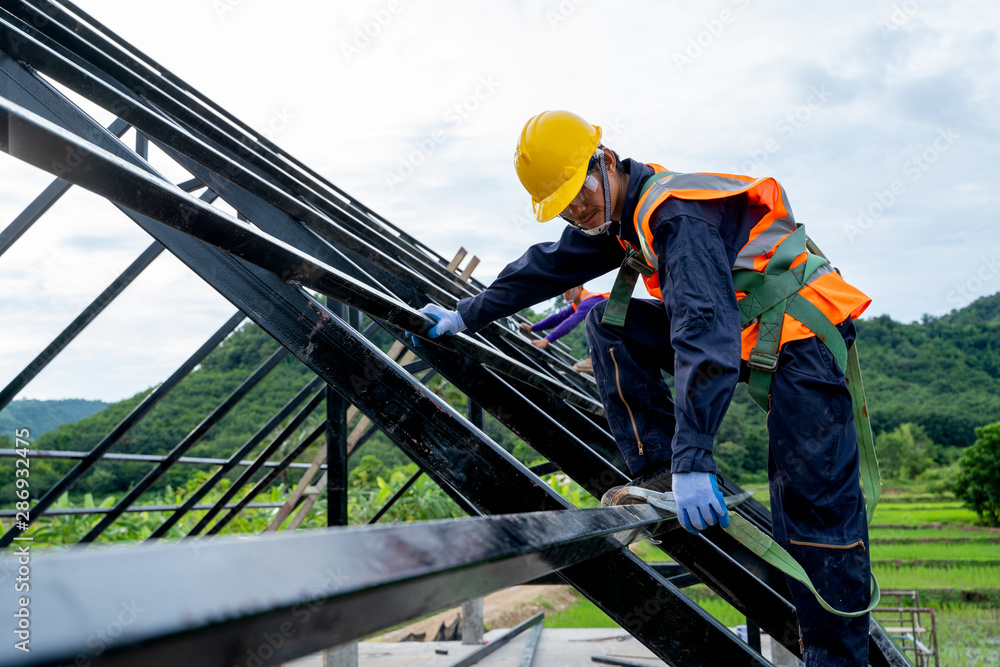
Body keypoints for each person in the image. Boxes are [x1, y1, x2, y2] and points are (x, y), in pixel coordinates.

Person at [418, 110, 873, 666]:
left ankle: (836, 659)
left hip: (803, 343)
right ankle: (656, 469)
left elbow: (702, 334)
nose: (576, 211)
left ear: (606, 162)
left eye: (579, 195)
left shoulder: (674, 217)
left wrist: (695, 458)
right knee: (608, 323)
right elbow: (546, 267)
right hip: (750, 333)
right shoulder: (619, 214)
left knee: (814, 511)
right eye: (563, 206)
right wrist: (465, 314)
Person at [520, 285, 607, 372]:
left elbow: (570, 322)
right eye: (563, 291)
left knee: (592, 324)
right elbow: (558, 318)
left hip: (613, 334)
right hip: (609, 336)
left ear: (579, 287)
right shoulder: (579, 303)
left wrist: (546, 340)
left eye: (567, 290)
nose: (565, 294)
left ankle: (590, 362)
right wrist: (533, 328)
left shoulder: (590, 301)